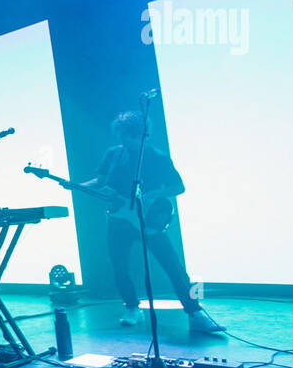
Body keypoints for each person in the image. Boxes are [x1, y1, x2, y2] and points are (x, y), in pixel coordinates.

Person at [82, 111, 223, 333]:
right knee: (119, 267)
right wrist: (76, 186)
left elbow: (179, 187)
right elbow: (101, 181)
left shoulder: (157, 157)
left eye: (127, 136)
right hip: (118, 219)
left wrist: (154, 194)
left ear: (140, 135)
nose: (123, 140)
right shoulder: (113, 155)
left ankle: (195, 313)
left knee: (173, 266)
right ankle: (132, 308)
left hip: (148, 221)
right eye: (120, 135)